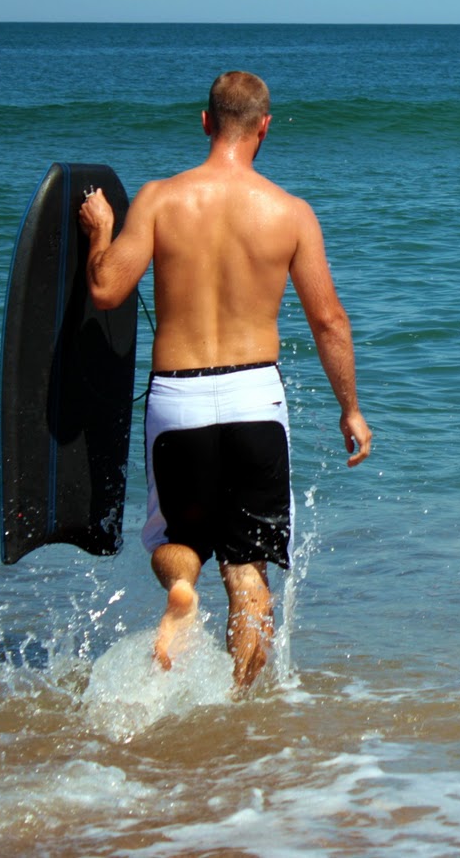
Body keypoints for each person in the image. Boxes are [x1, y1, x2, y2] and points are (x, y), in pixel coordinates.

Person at [79, 70, 371, 688]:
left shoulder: (160, 199)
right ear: (265, 127)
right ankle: (239, 716)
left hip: (177, 398)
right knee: (248, 570)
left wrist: (100, 232)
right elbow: (328, 320)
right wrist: (350, 409)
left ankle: (181, 589)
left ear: (206, 121)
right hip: (254, 399)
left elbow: (105, 290)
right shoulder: (290, 213)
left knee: (174, 540)